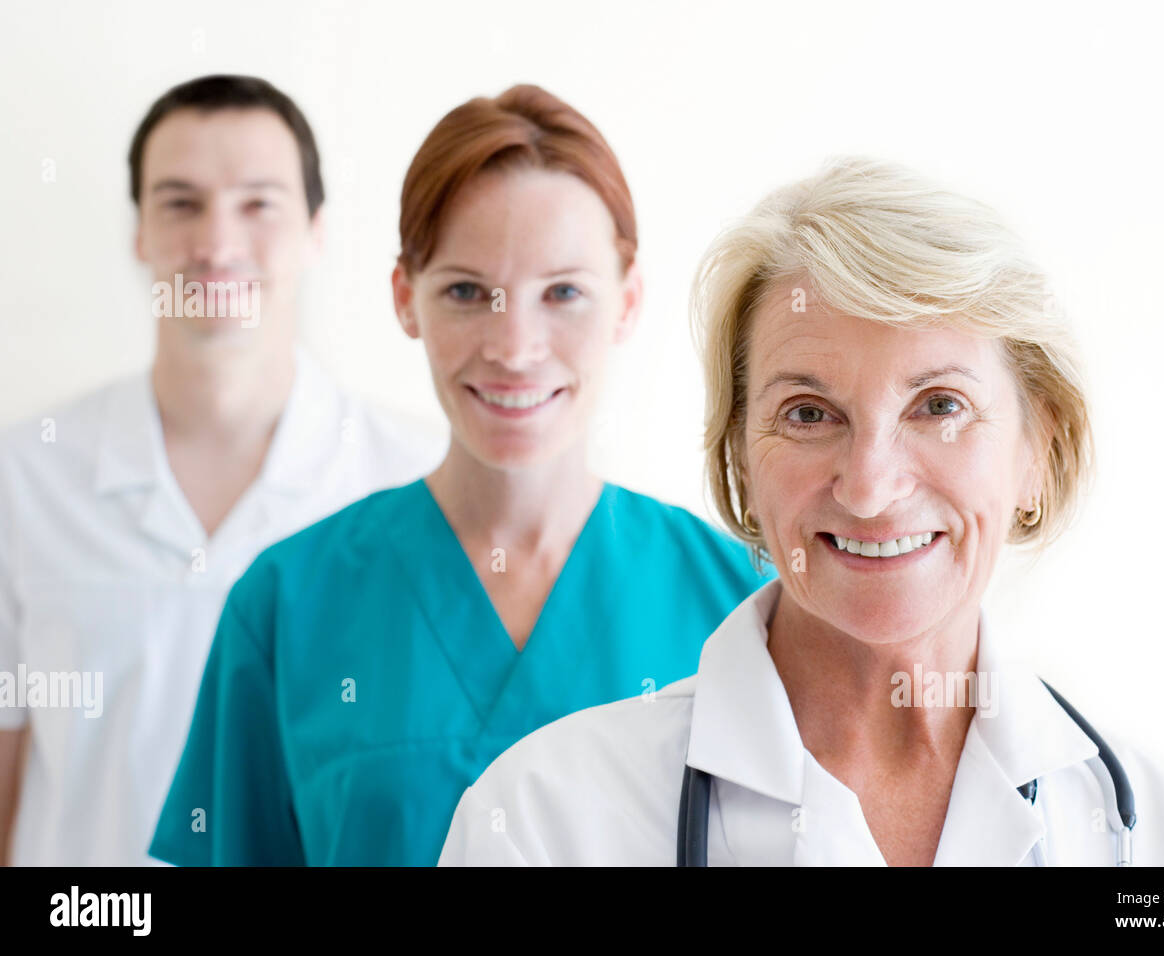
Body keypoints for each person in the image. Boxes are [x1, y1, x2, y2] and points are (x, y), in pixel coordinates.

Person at [438, 156, 1164, 866]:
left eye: (939, 406)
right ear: (737, 457)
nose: (869, 486)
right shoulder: (544, 828)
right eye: (807, 413)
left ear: (1038, 451)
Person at [148, 84, 773, 866]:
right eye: (468, 292)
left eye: (564, 293)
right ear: (406, 297)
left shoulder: (746, 603)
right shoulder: (288, 605)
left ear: (628, 301)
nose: (514, 346)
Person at [0, 74, 438, 866]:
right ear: (139, 233)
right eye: (180, 202)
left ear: (314, 231)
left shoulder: (417, 479)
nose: (216, 242)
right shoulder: (24, 478)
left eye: (257, 203)